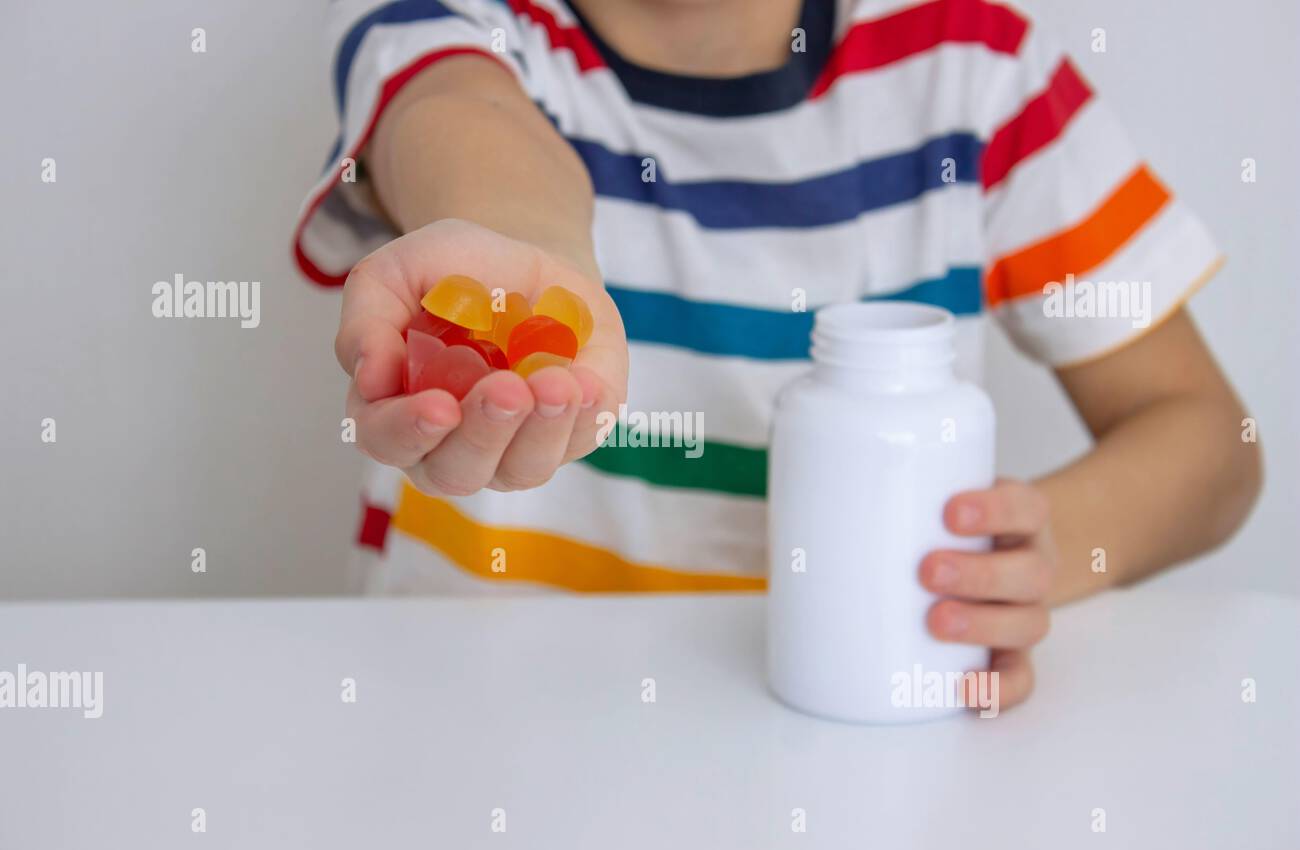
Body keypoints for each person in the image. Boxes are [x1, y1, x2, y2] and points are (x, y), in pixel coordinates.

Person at [293, 0, 1261, 710]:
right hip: (463, 717)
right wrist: (527, 250)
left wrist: (1032, 552)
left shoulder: (976, 69)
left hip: (817, 737)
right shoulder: (453, 25)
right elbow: (465, 121)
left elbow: (1210, 441)